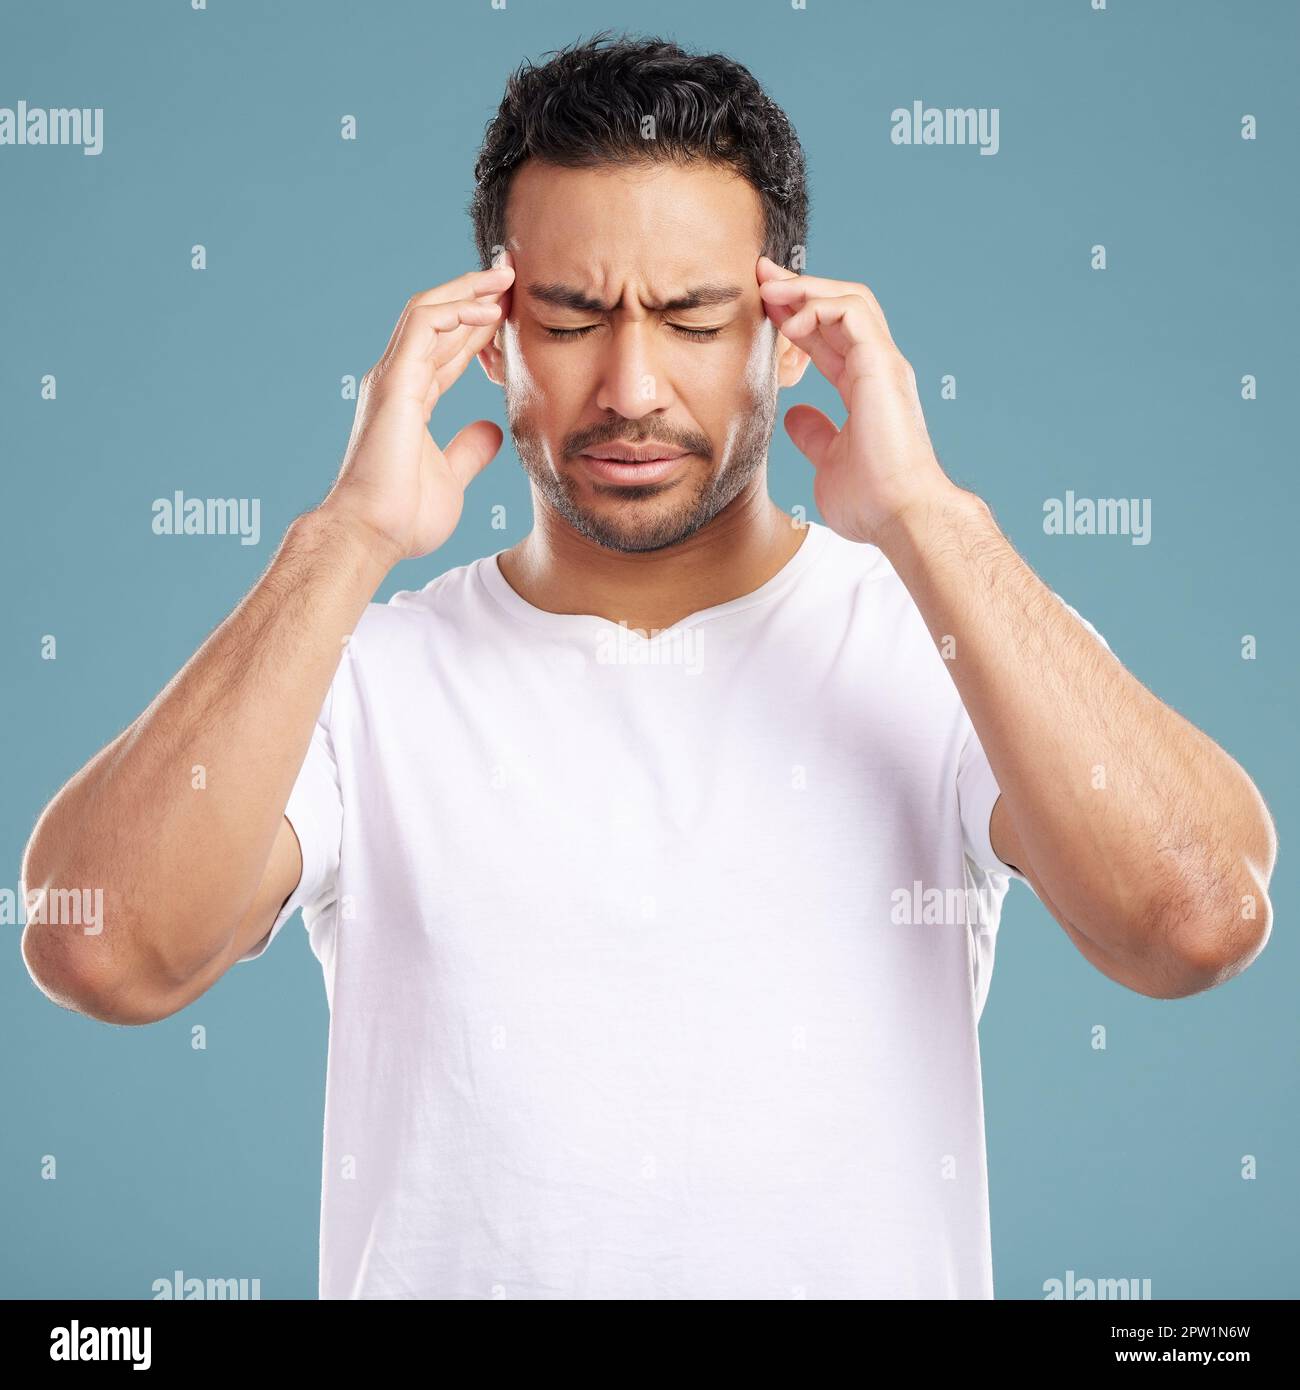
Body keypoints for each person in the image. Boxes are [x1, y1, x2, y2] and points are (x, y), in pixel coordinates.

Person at [20, 33, 1276, 1300]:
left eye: (691, 318)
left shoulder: (938, 643)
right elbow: (101, 948)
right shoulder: (358, 678)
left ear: (784, 330)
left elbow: (1197, 920)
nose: (629, 386)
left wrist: (927, 516)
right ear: (494, 335)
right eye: (570, 318)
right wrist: (340, 543)